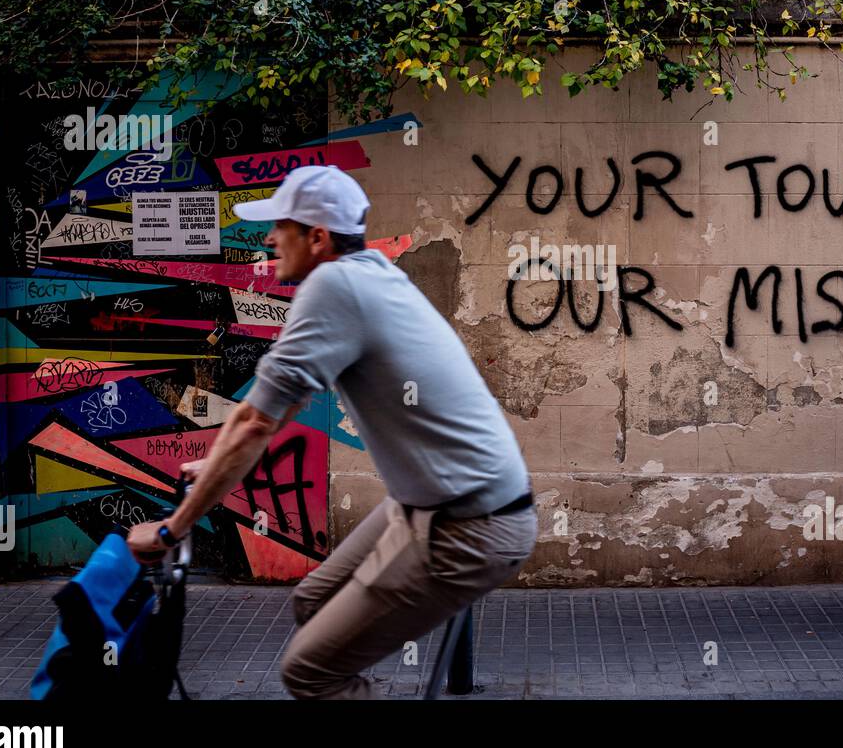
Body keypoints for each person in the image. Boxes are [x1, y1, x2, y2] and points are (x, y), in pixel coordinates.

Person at [128, 165, 537, 698]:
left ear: (317, 237)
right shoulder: (369, 273)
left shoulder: (333, 284)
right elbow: (282, 401)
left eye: (282, 226)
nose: (270, 238)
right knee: (312, 602)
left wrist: (171, 530)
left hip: (469, 527)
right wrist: (219, 465)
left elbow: (254, 421)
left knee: (308, 671)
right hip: (430, 507)